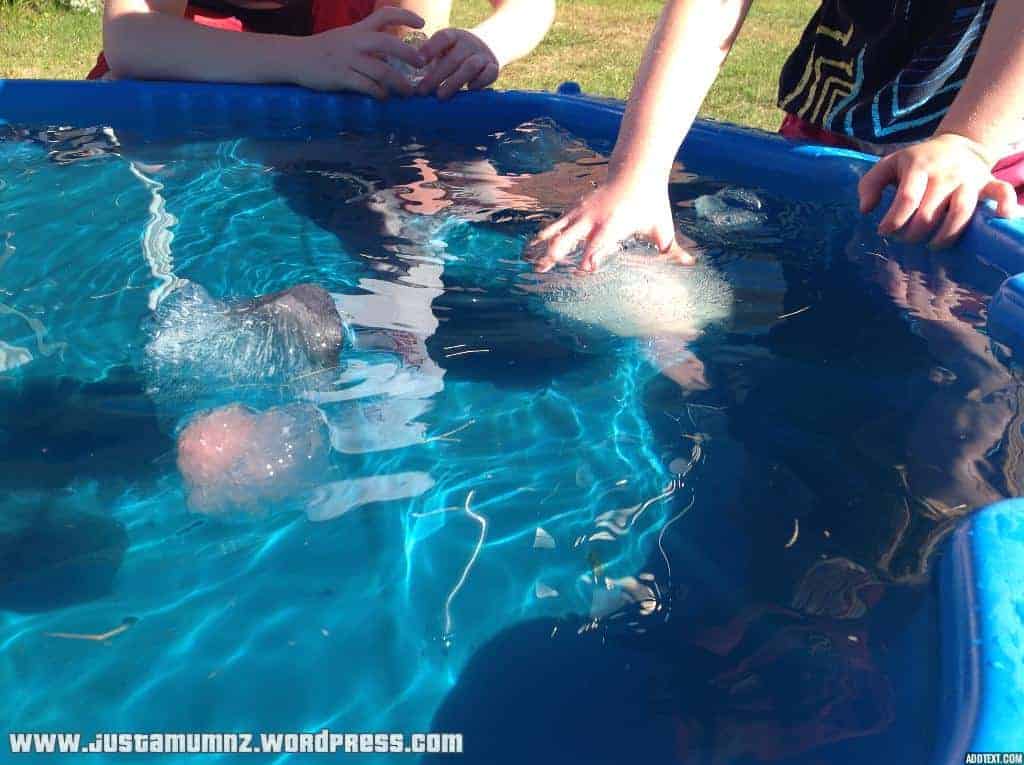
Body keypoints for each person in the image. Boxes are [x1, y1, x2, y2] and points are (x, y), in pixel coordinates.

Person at [531, 0, 1024, 272]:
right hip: (835, 123)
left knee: (967, 372)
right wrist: (636, 175)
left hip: (992, 158)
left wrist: (969, 141)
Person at [91, 0, 555, 100]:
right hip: (186, 141)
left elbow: (530, 6)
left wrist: (485, 43)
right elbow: (131, 38)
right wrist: (302, 58)